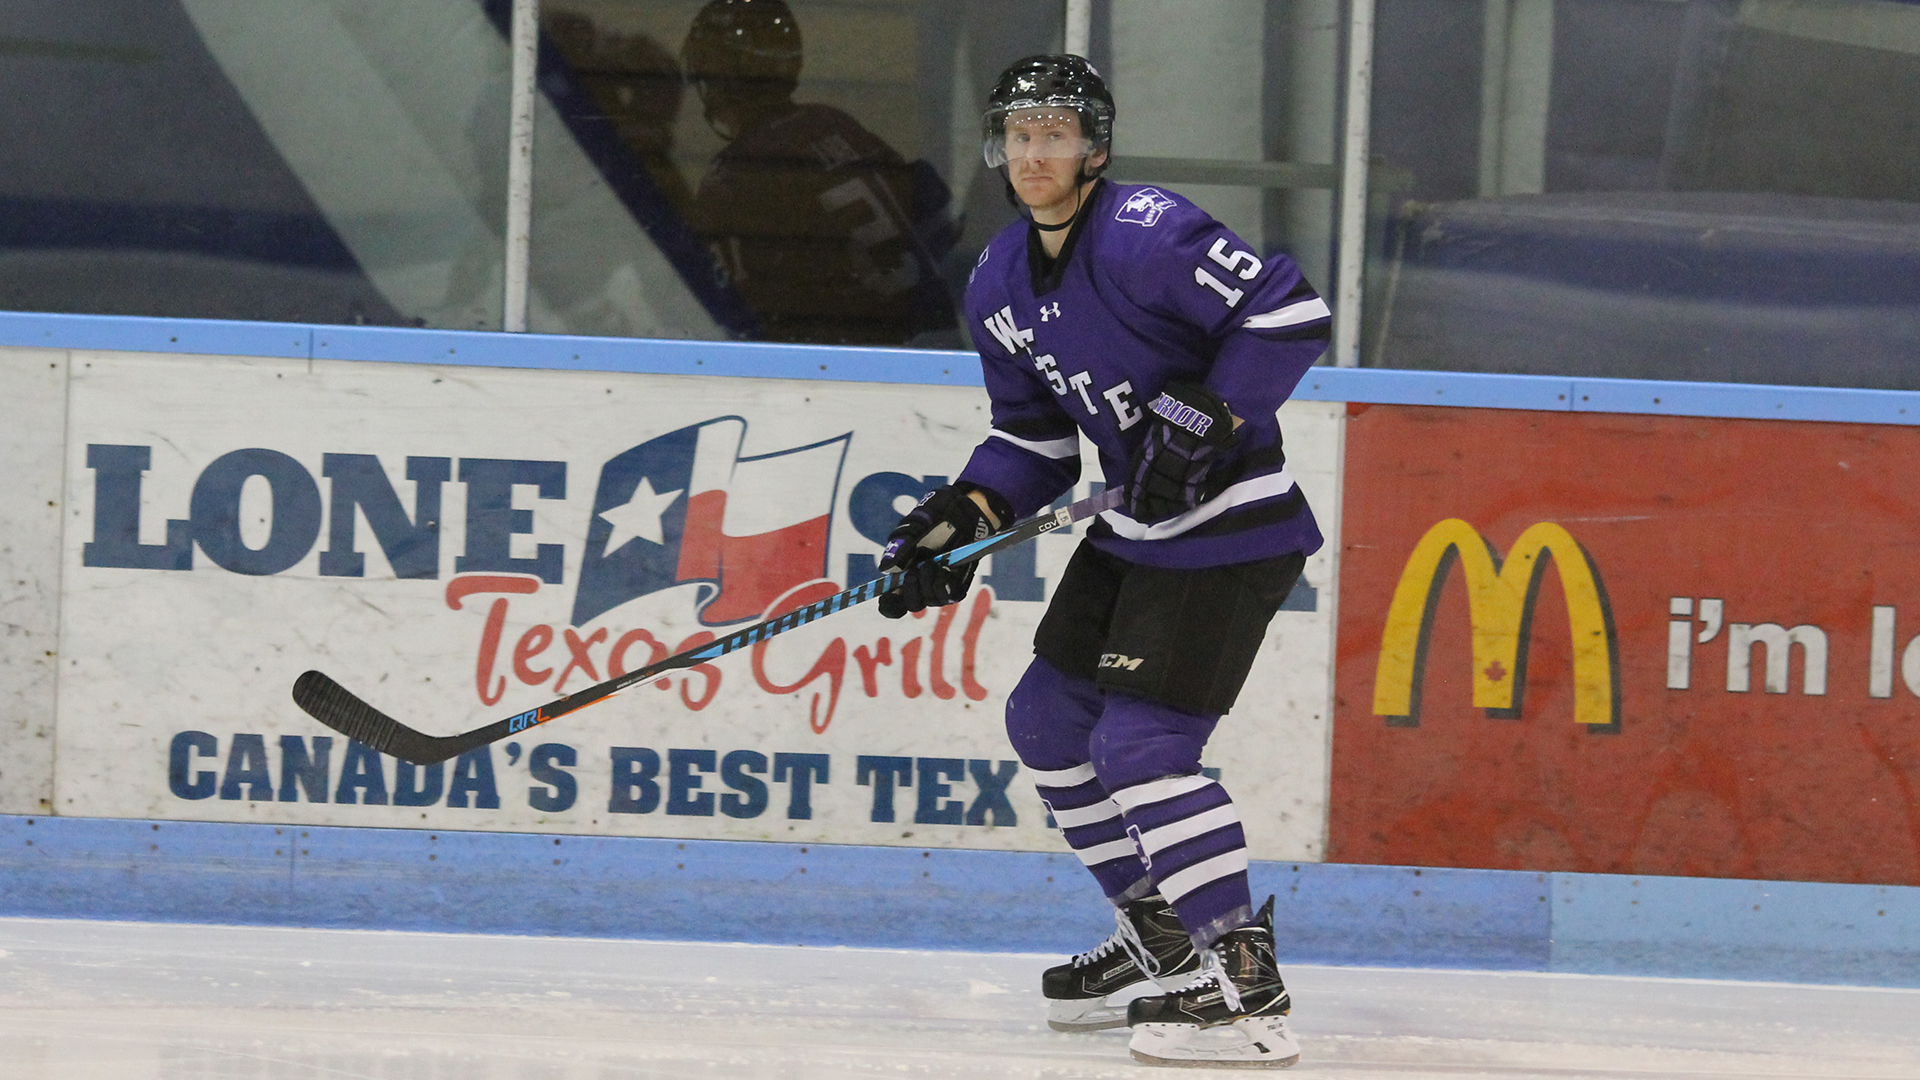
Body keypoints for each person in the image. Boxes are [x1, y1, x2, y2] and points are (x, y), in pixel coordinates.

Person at [875, 54, 1330, 1069]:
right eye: (1020, 135)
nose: (1036, 153)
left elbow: (1290, 315)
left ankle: (1245, 989)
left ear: (1095, 147)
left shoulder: (1149, 231)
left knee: (1141, 750)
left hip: (1234, 532)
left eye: (1056, 134)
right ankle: (1162, 935)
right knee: (1045, 720)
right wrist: (959, 520)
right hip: (1135, 534)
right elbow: (1032, 442)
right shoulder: (996, 278)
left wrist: (1212, 412)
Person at [681, 0, 959, 346]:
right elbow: (937, 216)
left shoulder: (733, 177)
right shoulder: (834, 125)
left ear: (715, 79)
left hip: (850, 369)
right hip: (939, 344)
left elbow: (725, 319)